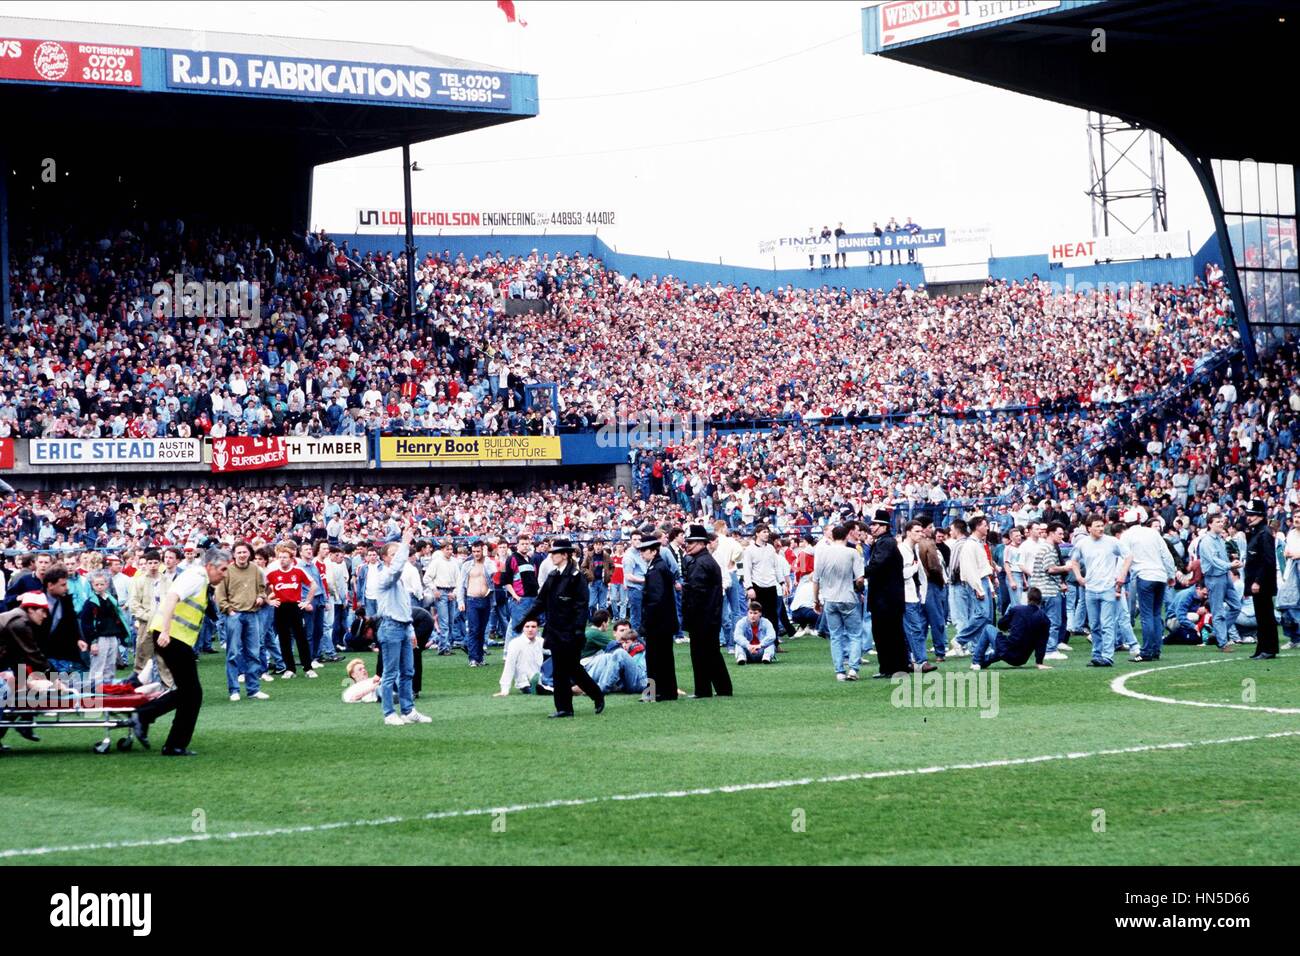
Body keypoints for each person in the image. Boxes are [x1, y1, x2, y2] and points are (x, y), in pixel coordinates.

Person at [127, 547, 232, 757]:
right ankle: (162, 733)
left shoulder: (201, 580)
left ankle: (153, 724)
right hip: (171, 638)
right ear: (210, 566)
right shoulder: (196, 576)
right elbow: (172, 597)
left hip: (176, 639)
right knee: (192, 692)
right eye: (222, 569)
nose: (224, 574)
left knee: (189, 692)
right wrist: (165, 631)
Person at [535, 537, 603, 718]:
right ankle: (564, 708)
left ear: (565, 555)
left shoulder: (576, 577)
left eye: (555, 553)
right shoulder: (553, 576)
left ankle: (595, 694)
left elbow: (581, 605)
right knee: (560, 669)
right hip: (556, 629)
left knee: (572, 668)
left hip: (571, 631)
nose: (552, 556)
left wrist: (578, 629)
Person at [374, 527, 430, 726]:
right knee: (389, 674)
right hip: (390, 628)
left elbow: (405, 607)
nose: (398, 556)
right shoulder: (384, 576)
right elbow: (397, 568)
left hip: (403, 627)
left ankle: (408, 710)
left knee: (408, 671)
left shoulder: (398, 581)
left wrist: (411, 629)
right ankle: (389, 713)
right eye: (393, 553)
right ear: (385, 558)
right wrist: (405, 543)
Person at [1067, 513, 1133, 667]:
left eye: (1101, 525)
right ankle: (1097, 654)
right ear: (1089, 528)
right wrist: (1078, 577)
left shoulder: (1112, 542)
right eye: (1097, 525)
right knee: (1095, 625)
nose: (1100, 528)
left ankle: (1107, 656)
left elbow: (1128, 556)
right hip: (1090, 589)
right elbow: (1074, 560)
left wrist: (1122, 574)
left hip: (1108, 588)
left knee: (1107, 623)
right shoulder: (1082, 544)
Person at [0, 592, 62, 749]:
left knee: (17, 690)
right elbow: (33, 655)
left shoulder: (17, 620)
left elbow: (18, 657)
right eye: (42, 611)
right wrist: (55, 679)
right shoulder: (19, 623)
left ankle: (25, 720)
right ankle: (25, 720)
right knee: (5, 692)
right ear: (31, 610)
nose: (45, 616)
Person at [681, 523, 732, 698]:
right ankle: (721, 688)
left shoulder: (700, 563)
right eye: (687, 541)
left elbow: (696, 593)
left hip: (702, 616)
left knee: (701, 654)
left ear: (702, 543)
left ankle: (704, 690)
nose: (687, 544)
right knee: (710, 653)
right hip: (708, 616)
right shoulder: (704, 561)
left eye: (691, 541)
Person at [215, 541, 269, 701]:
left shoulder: (255, 569)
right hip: (235, 615)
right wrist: (228, 610)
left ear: (249, 553)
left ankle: (253, 689)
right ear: (234, 554)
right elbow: (220, 593)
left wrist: (261, 597)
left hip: (252, 615)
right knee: (233, 653)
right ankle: (234, 690)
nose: (242, 555)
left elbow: (263, 588)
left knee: (253, 653)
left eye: (244, 552)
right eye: (239, 552)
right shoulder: (227, 571)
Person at [813, 523, 864, 681]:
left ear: (832, 536)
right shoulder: (852, 552)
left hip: (830, 598)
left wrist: (815, 600)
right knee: (855, 634)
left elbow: (816, 579)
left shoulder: (822, 553)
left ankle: (839, 671)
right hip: (848, 597)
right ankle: (853, 669)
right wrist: (858, 589)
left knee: (836, 636)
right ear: (847, 536)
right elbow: (860, 579)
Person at [864, 509, 909, 678]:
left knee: (889, 634)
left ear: (884, 527)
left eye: (875, 525)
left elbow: (877, 565)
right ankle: (890, 667)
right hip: (885, 598)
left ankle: (895, 668)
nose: (872, 528)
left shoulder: (886, 543)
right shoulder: (883, 542)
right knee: (886, 634)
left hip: (887, 599)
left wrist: (860, 574)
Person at [265, 543, 319, 678]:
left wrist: (306, 601)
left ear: (291, 558)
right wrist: (268, 600)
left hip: (295, 607)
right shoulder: (272, 574)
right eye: (280, 557)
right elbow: (261, 588)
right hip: (280, 607)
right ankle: (290, 669)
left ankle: (308, 668)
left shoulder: (298, 571)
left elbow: (313, 585)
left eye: (285, 557)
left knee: (301, 637)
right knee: (284, 639)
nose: (282, 559)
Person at [639, 531, 680, 701]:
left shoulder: (656, 569)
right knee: (663, 658)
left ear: (653, 551)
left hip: (657, 623)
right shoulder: (659, 567)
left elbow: (655, 599)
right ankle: (666, 691)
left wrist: (647, 622)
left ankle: (655, 692)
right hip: (663, 622)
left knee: (655, 658)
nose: (641, 553)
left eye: (645, 550)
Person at [974, 587, 1054, 670]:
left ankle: (976, 661)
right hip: (1021, 659)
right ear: (1040, 600)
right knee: (1002, 648)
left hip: (1007, 650)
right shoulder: (1045, 619)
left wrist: (1010, 626)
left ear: (1028, 599)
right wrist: (1039, 662)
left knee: (988, 628)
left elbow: (1001, 624)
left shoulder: (1017, 609)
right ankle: (981, 662)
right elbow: (1042, 642)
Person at [78, 569, 132, 686]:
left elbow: (118, 618)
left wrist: (122, 634)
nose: (99, 587)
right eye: (96, 584)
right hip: (99, 638)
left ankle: (108, 688)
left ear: (107, 584)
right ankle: (94, 690)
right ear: (92, 585)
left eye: (102, 584)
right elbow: (86, 623)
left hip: (112, 636)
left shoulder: (111, 599)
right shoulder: (90, 602)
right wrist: (93, 641)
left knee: (110, 665)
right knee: (98, 666)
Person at [1197, 512, 1241, 654]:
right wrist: (1230, 565)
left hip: (1225, 576)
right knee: (1218, 611)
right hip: (1214, 578)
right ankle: (1222, 642)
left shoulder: (1220, 539)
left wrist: (1231, 561)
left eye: (1222, 522)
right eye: (1218, 522)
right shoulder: (1206, 541)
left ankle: (1217, 633)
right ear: (1209, 524)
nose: (1221, 524)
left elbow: (1221, 559)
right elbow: (1213, 560)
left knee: (1236, 606)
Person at [1242, 499, 1280, 659]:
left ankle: (1269, 649)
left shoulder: (1264, 533)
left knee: (1265, 616)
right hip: (1256, 582)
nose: (1249, 518)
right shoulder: (1256, 532)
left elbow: (1268, 560)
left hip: (1262, 583)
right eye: (1249, 514)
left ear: (1261, 516)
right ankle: (1262, 647)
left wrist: (1257, 581)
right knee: (1261, 616)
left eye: (1253, 515)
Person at [495, 616, 545, 696]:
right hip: (525, 682)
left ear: (538, 628)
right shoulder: (515, 643)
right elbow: (509, 666)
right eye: (527, 627)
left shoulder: (541, 642)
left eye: (533, 627)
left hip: (542, 678)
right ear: (523, 628)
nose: (530, 629)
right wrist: (505, 689)